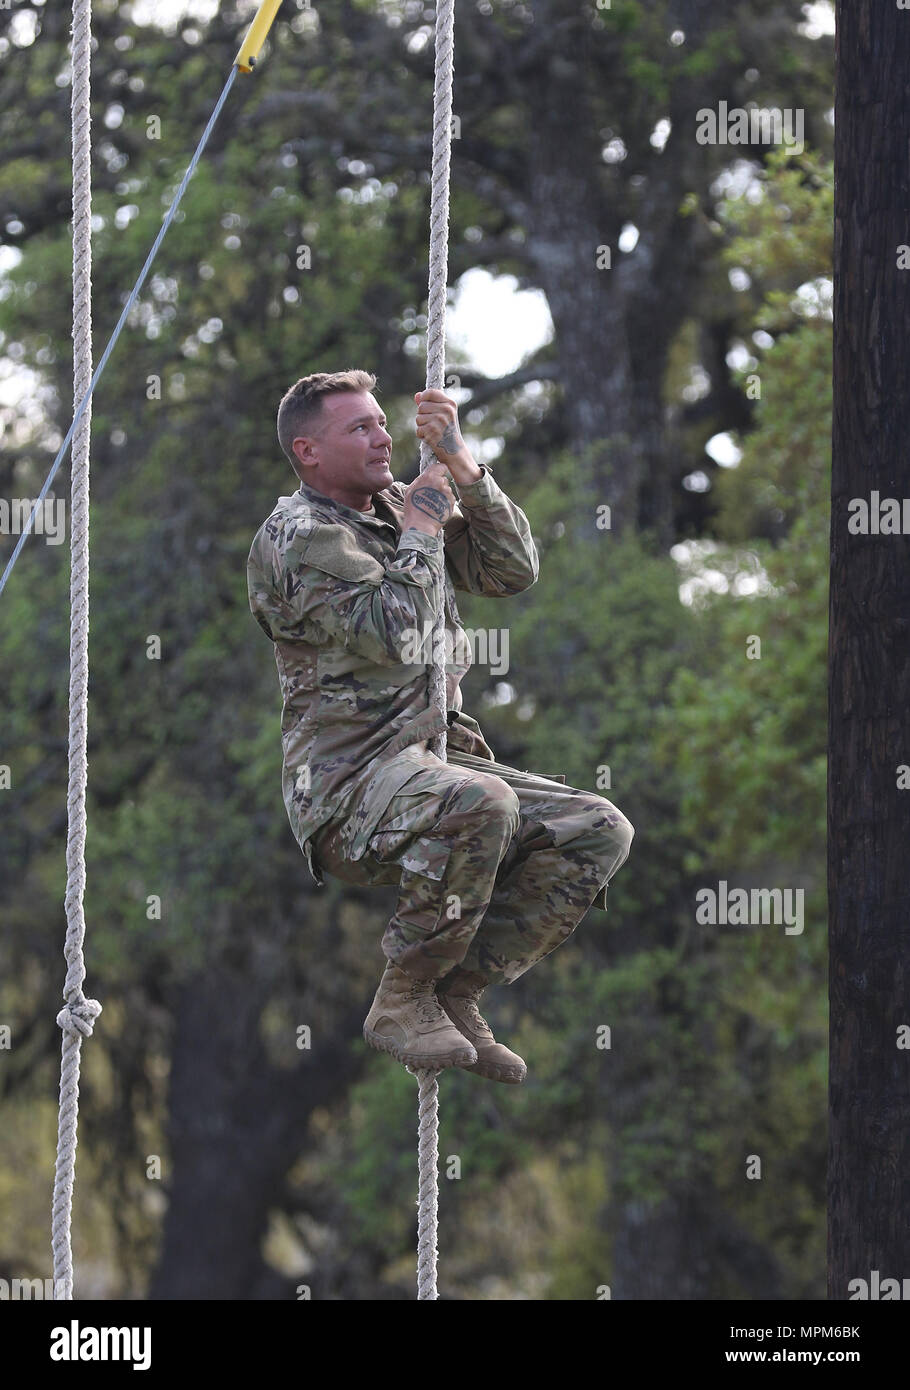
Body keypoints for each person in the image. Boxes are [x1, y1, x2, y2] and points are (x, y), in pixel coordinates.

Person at [247, 369, 634, 1083]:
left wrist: (462, 463)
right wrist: (423, 528)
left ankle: (454, 994)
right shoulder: (297, 536)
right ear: (307, 451)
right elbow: (395, 632)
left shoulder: (397, 505)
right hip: (348, 791)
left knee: (597, 829)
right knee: (484, 802)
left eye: (380, 422)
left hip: (434, 767)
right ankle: (403, 998)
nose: (382, 436)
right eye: (358, 428)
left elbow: (511, 569)